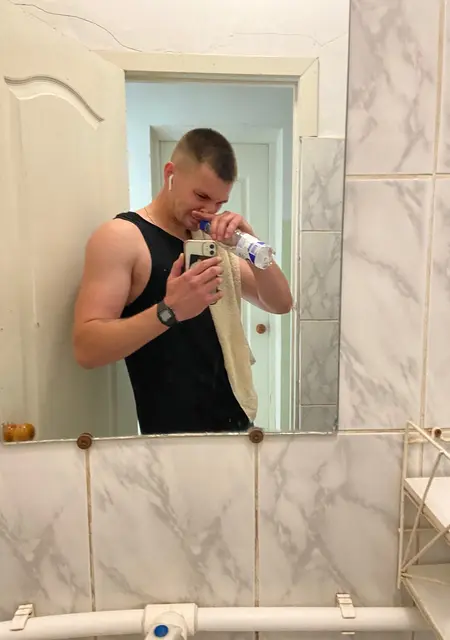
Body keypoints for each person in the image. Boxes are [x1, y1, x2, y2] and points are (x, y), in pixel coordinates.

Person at [73, 128, 292, 434]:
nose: (208, 211)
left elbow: (281, 303)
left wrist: (251, 244)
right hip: (172, 440)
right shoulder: (123, 237)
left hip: (239, 426)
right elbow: (87, 348)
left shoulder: (212, 246)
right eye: (201, 196)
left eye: (219, 203)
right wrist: (169, 311)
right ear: (170, 174)